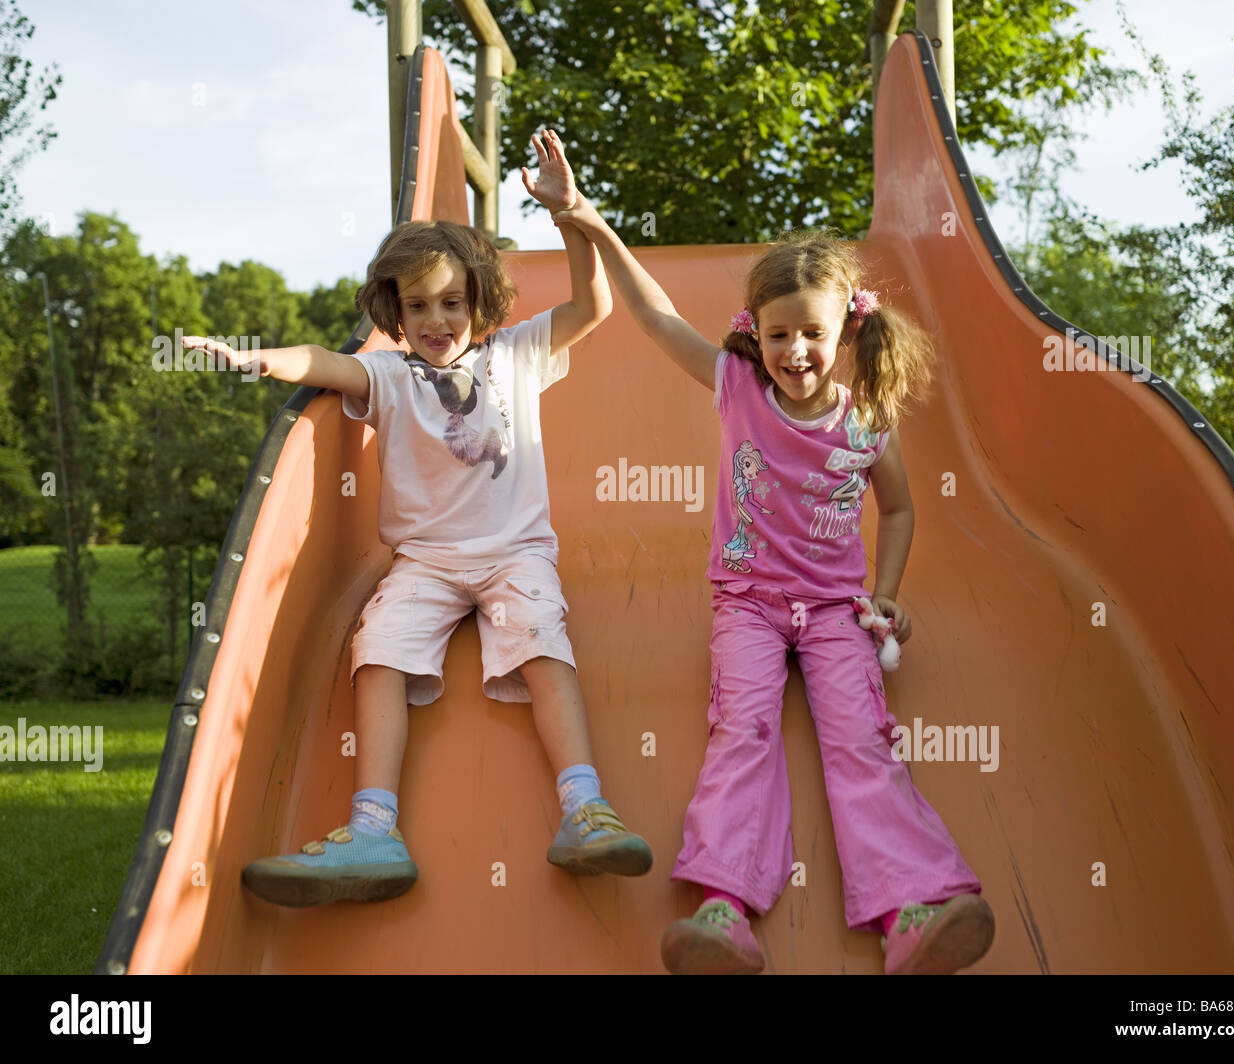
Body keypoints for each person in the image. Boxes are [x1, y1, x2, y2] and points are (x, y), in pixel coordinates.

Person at [182, 128, 652, 909]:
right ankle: (374, 828)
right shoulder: (388, 376)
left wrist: (571, 215)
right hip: (426, 562)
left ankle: (585, 807)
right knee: (378, 652)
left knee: (542, 643)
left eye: (453, 303)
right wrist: (250, 358)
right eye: (419, 306)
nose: (438, 320)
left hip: (515, 553)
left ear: (479, 302)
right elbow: (319, 361)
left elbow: (593, 305)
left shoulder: (516, 354)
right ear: (394, 311)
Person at [548, 200, 994, 975]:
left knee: (861, 741)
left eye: (812, 333)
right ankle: (724, 907)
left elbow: (900, 508)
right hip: (748, 603)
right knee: (742, 730)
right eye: (778, 333)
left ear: (846, 331)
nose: (794, 351)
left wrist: (885, 594)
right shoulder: (737, 386)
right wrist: (588, 219)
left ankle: (910, 913)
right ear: (753, 331)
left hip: (833, 610)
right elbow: (654, 316)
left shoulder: (866, 424)